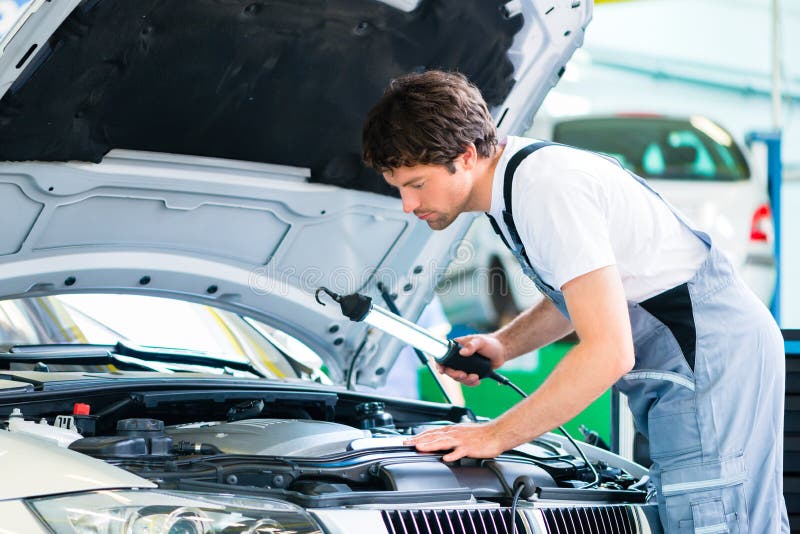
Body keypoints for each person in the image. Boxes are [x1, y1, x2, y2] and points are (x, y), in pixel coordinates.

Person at [361, 70, 787, 532]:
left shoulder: (546, 191)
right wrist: (505, 345)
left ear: (465, 155)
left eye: (416, 184)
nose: (407, 204)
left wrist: (494, 435)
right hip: (696, 360)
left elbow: (609, 352)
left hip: (708, 360)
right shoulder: (514, 187)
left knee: (713, 516)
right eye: (398, 187)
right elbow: (584, 292)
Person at [372, 295, 465, 405]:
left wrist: (458, 405)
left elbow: (439, 351)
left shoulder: (422, 292)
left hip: (406, 401)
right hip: (357, 398)